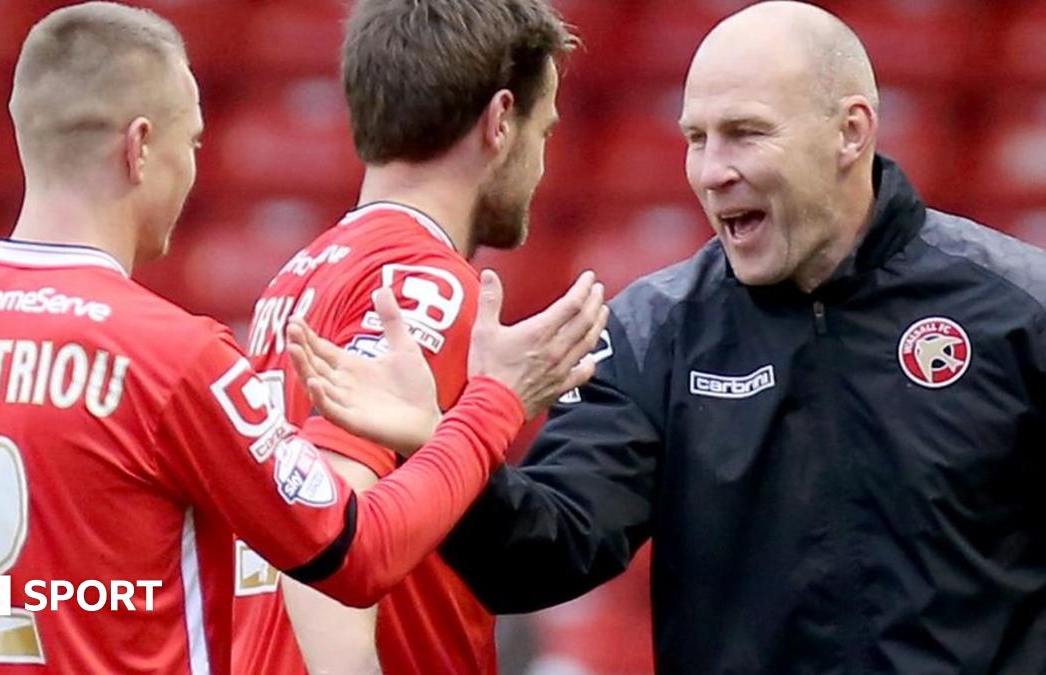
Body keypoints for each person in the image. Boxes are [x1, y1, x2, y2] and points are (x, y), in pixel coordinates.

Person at [0, 3, 606, 673]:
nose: (194, 172)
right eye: (192, 141)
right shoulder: (402, 288)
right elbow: (342, 552)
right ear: (139, 148)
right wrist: (494, 406)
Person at [415, 1, 1041, 673]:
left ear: (851, 132)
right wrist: (440, 444)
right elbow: (537, 558)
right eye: (696, 138)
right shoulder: (653, 337)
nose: (713, 171)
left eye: (744, 133)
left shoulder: (1018, 310)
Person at [230, 1, 577, 673]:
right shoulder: (426, 284)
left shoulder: (294, 280)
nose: (540, 165)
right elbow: (327, 510)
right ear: (502, 120)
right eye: (544, 130)